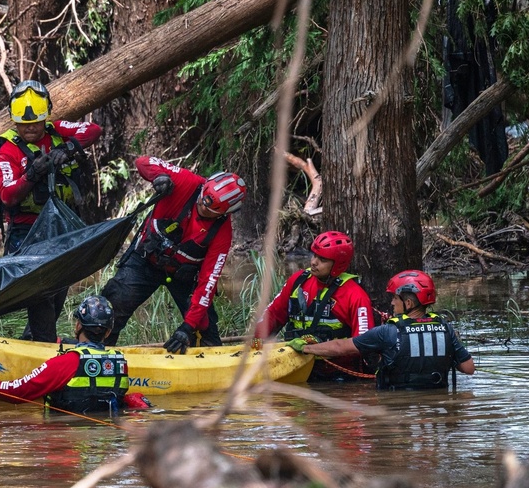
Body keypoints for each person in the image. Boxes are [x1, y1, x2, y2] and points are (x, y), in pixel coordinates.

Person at [0, 79, 102, 342]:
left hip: (60, 227)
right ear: (14, 121)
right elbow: (8, 195)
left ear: (45, 117)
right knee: (41, 294)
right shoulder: (7, 152)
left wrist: (67, 148)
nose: (30, 128)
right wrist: (31, 175)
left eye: (36, 122)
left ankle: (32, 342)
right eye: (24, 124)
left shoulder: (58, 131)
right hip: (28, 233)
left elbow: (93, 129)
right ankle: (45, 347)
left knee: (57, 292)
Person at [99, 157, 246, 353]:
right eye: (201, 200)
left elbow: (208, 283)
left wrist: (187, 327)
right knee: (114, 304)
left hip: (183, 276)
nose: (201, 207)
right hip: (145, 261)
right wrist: (159, 177)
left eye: (207, 209)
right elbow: (143, 162)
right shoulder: (186, 182)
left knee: (204, 328)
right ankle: (96, 350)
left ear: (223, 214)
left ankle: (206, 367)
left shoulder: (222, 233)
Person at [0, 296, 139, 414]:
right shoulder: (121, 364)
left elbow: (15, 392)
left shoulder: (67, 362)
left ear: (78, 325)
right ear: (107, 332)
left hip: (62, 441)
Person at [290, 270, 475, 390]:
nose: (392, 303)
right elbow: (468, 368)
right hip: (436, 406)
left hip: (397, 408)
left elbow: (341, 346)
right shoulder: (445, 328)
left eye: (395, 298)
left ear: (408, 303)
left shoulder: (388, 332)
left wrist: (307, 348)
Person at [253, 231, 375, 380]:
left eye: (322, 259)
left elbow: (363, 344)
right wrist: (257, 339)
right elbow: (273, 313)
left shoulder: (355, 296)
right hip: (294, 367)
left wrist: (317, 348)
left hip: (337, 376)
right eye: (314, 255)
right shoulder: (298, 280)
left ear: (338, 263)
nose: (313, 262)